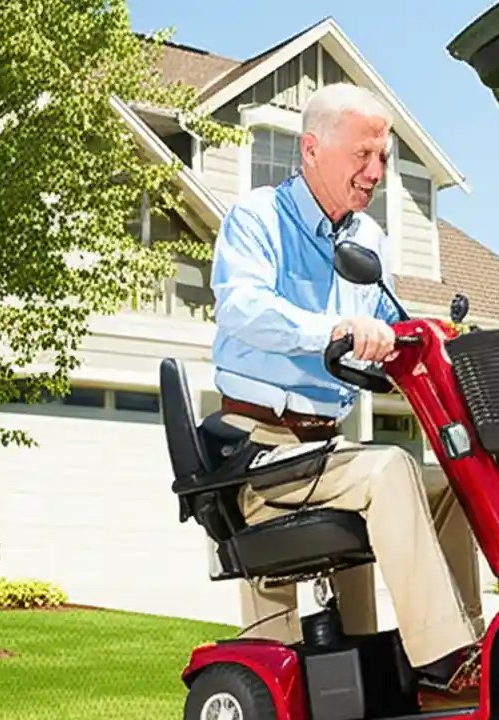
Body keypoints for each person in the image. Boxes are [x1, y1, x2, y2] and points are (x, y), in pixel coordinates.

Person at [207, 81, 484, 698]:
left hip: (328, 453)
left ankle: (466, 650)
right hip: (260, 452)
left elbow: (383, 324)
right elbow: (243, 310)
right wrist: (334, 327)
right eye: (363, 155)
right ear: (311, 150)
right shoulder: (256, 218)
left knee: (449, 481)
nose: (376, 171)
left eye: (382, 157)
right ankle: (447, 660)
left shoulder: (367, 242)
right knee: (389, 470)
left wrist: (428, 338)